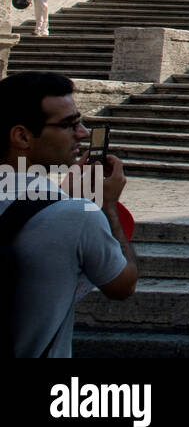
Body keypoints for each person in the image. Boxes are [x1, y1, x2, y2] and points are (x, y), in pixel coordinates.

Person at [0, 72, 138, 356]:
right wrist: (106, 206)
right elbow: (123, 285)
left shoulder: (64, 208)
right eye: (69, 125)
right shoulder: (79, 216)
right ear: (22, 136)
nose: (84, 133)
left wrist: (62, 196)